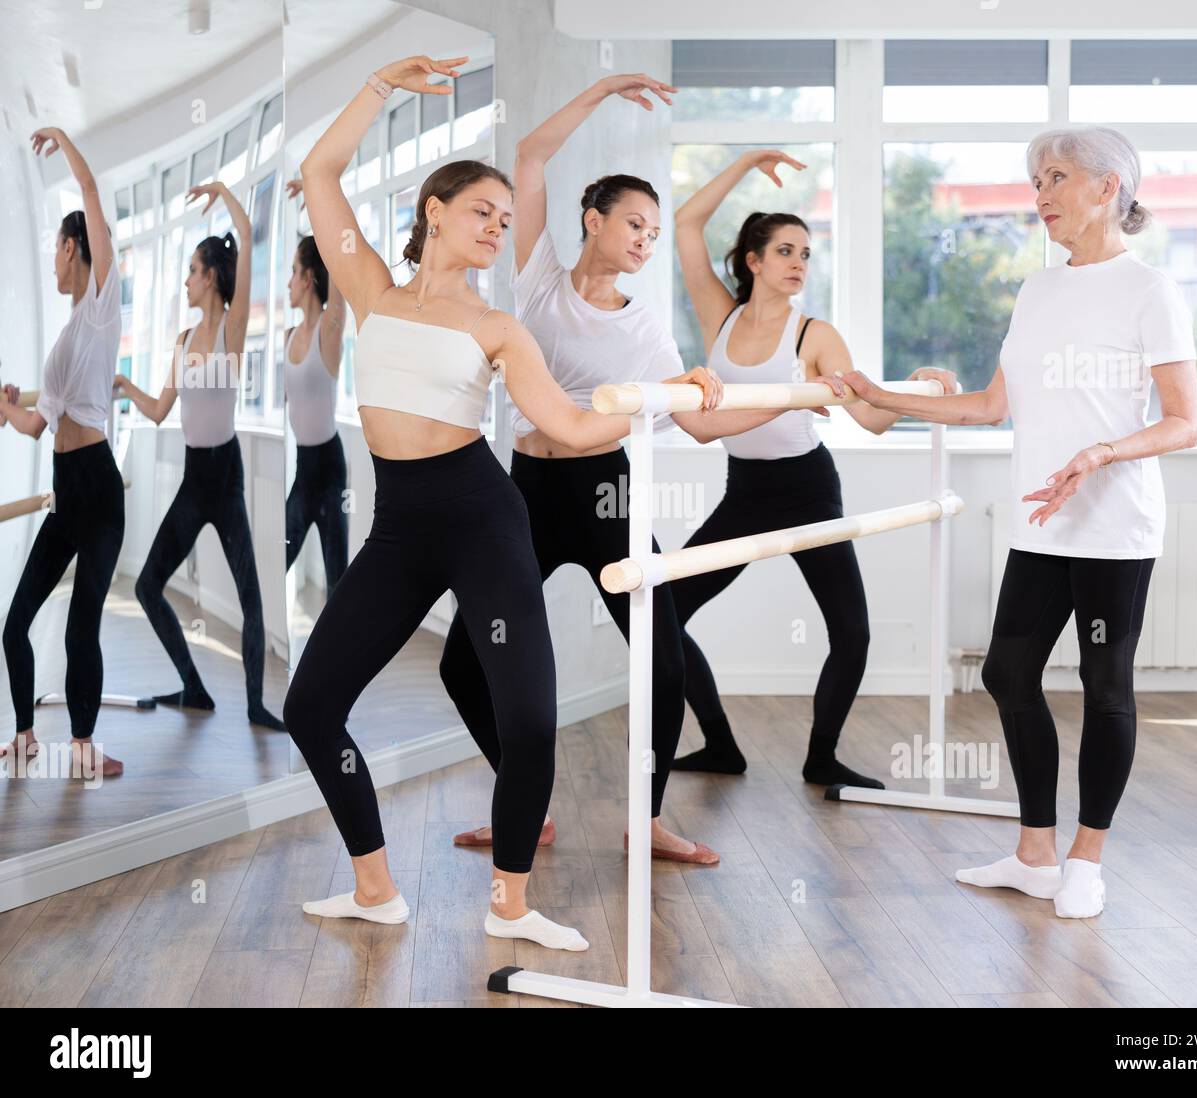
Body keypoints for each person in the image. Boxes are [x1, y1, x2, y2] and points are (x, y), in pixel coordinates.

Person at [287, 56, 734, 945]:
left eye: (505, 215)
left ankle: (511, 906)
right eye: (481, 212)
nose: (497, 226)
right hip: (400, 527)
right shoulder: (371, 291)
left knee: (529, 719)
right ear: (433, 213)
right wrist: (379, 87)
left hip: (486, 518)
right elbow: (318, 175)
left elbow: (568, 427)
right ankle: (375, 886)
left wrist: (666, 396)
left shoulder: (501, 327)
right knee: (310, 707)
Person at [439, 75, 844, 863]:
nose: (644, 240)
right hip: (523, 491)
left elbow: (699, 424)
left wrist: (788, 401)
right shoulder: (539, 281)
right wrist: (603, 89)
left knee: (659, 652)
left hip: (605, 493)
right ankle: (524, 802)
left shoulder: (647, 330)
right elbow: (527, 158)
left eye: (655, 232)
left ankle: (650, 817)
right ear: (593, 221)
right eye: (633, 223)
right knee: (463, 661)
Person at [840, 127, 1197, 919]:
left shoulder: (1152, 290)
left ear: (1109, 189)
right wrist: (882, 396)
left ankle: (1087, 859)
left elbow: (1185, 422)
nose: (1040, 195)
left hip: (1113, 528)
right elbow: (991, 407)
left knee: (1106, 687)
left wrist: (1100, 454)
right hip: (1042, 526)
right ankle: (1036, 850)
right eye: (1036, 180)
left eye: (1057, 178)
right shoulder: (1037, 291)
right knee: (1008, 673)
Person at [670, 148, 956, 787]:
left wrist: (918, 387)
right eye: (785, 251)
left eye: (805, 253)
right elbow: (688, 225)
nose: (799, 263)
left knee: (851, 633)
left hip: (806, 490)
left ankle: (821, 756)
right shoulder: (720, 315)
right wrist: (745, 162)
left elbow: (871, 419)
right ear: (753, 260)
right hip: (744, 494)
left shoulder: (814, 335)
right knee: (663, 613)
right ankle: (720, 744)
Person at [114, 181, 284, 731]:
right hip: (193, 478)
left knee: (251, 600)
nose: (185, 280)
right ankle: (194, 686)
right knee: (147, 586)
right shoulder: (183, 338)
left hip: (226, 474)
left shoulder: (232, 330)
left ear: (210, 276)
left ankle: (257, 705)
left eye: (191, 270)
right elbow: (162, 409)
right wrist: (124, 383)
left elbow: (251, 237)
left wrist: (222, 192)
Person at [0, 125, 125, 778]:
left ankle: (82, 750)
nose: (52, 261)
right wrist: (4, 407)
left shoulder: (102, 307)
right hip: (63, 491)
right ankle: (24, 736)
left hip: (100, 492)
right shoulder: (63, 342)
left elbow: (91, 193)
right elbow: (34, 425)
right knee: (13, 623)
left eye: (56, 249)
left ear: (74, 248)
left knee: (81, 626)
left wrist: (67, 142)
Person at [283, 224, 348, 599]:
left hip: (330, 470)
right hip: (303, 469)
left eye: (294, 271)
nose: (289, 280)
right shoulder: (289, 336)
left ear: (308, 278)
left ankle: (345, 657)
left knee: (336, 580)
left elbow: (337, 287)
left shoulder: (329, 328)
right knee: (280, 558)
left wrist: (318, 209)